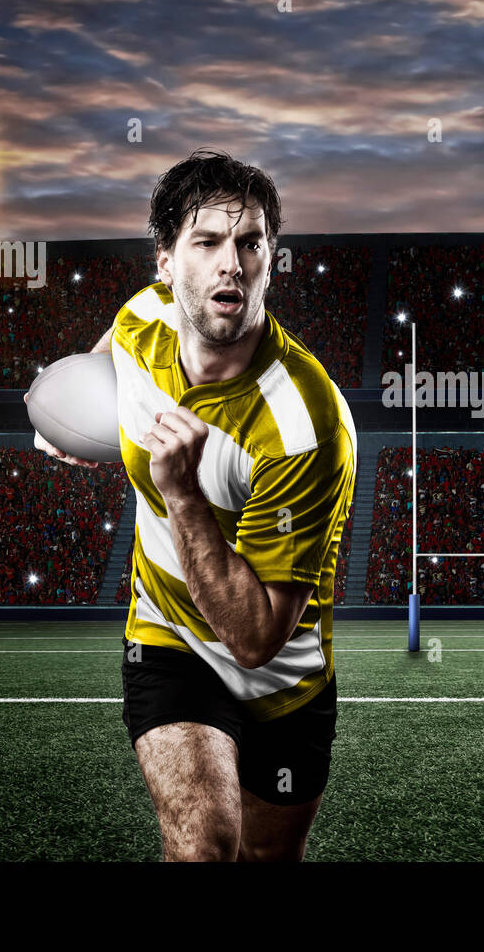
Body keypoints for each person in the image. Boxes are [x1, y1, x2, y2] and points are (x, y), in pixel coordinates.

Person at [32, 149, 357, 861]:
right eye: (205, 242)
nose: (230, 264)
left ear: (273, 260)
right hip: (169, 641)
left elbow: (256, 636)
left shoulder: (305, 425)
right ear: (166, 262)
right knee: (206, 845)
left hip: (281, 678)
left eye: (250, 244)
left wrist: (181, 494)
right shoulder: (142, 320)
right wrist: (68, 416)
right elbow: (111, 352)